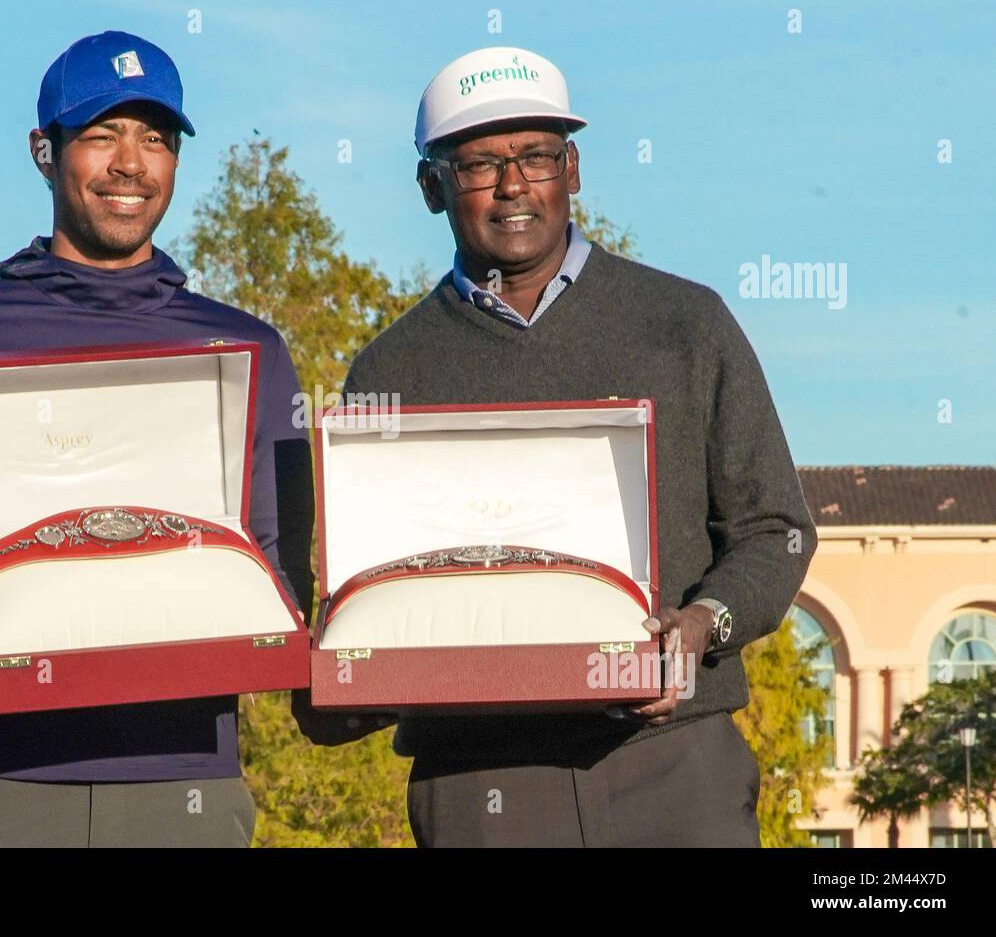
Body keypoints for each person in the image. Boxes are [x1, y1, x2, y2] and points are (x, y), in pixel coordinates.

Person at [0, 31, 314, 847]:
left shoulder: (246, 352)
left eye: (156, 138)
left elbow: (280, 579)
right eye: (102, 134)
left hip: (183, 791)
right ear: (43, 151)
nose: (132, 163)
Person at [330, 46, 818, 846]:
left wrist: (701, 627)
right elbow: (372, 591)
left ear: (575, 168)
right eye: (480, 163)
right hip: (477, 781)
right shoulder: (389, 370)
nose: (514, 184)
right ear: (431, 187)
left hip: (673, 764)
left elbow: (775, 530)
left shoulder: (685, 324)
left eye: (537, 156)